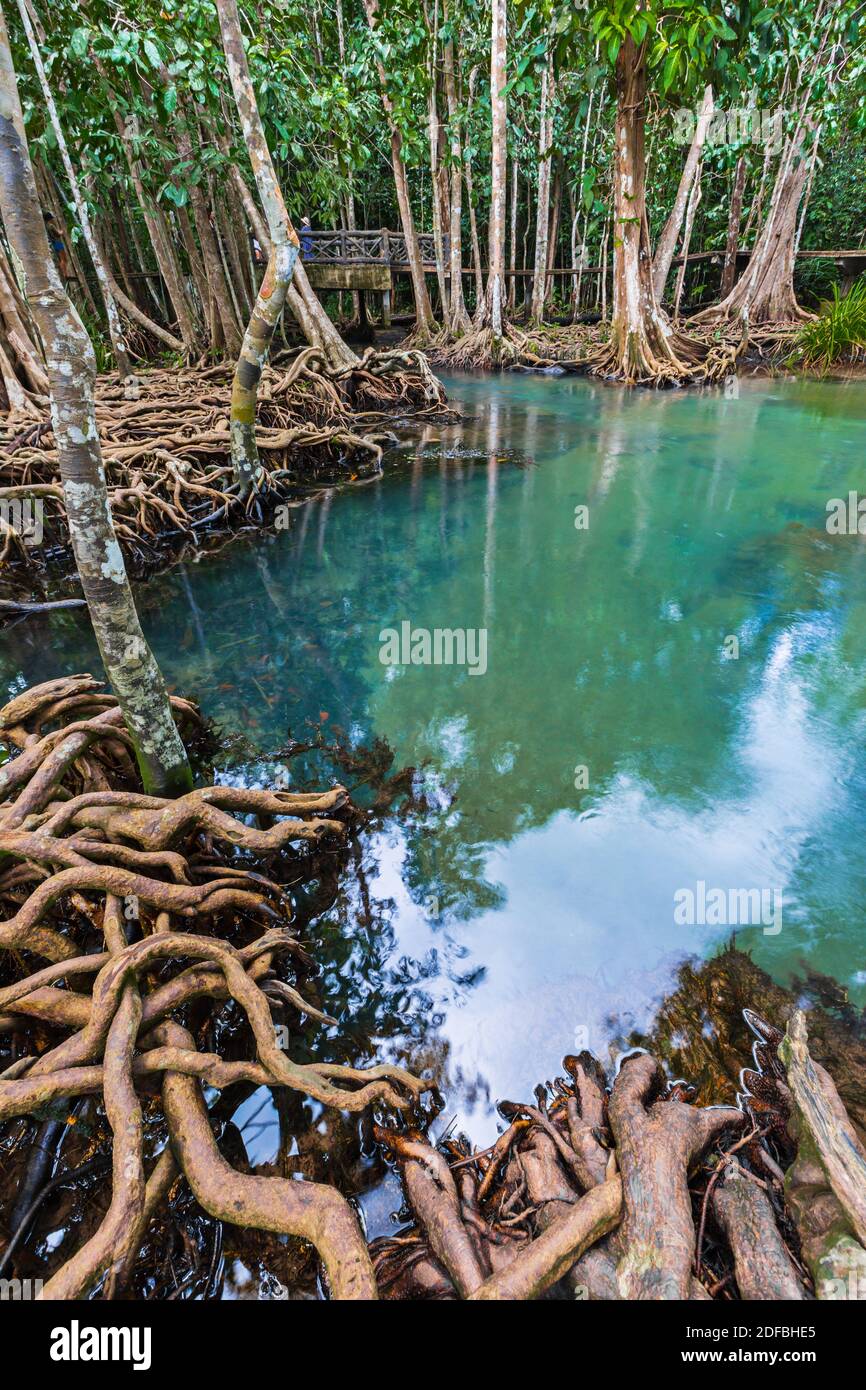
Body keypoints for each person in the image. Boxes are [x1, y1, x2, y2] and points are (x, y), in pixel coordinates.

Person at [43, 212, 72, 281]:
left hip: (50, 244)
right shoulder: (51, 225)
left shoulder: (44, 227)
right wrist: (62, 231)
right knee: (64, 259)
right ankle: (65, 274)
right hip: (57, 243)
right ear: (50, 219)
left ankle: (62, 273)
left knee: (60, 259)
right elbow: (58, 234)